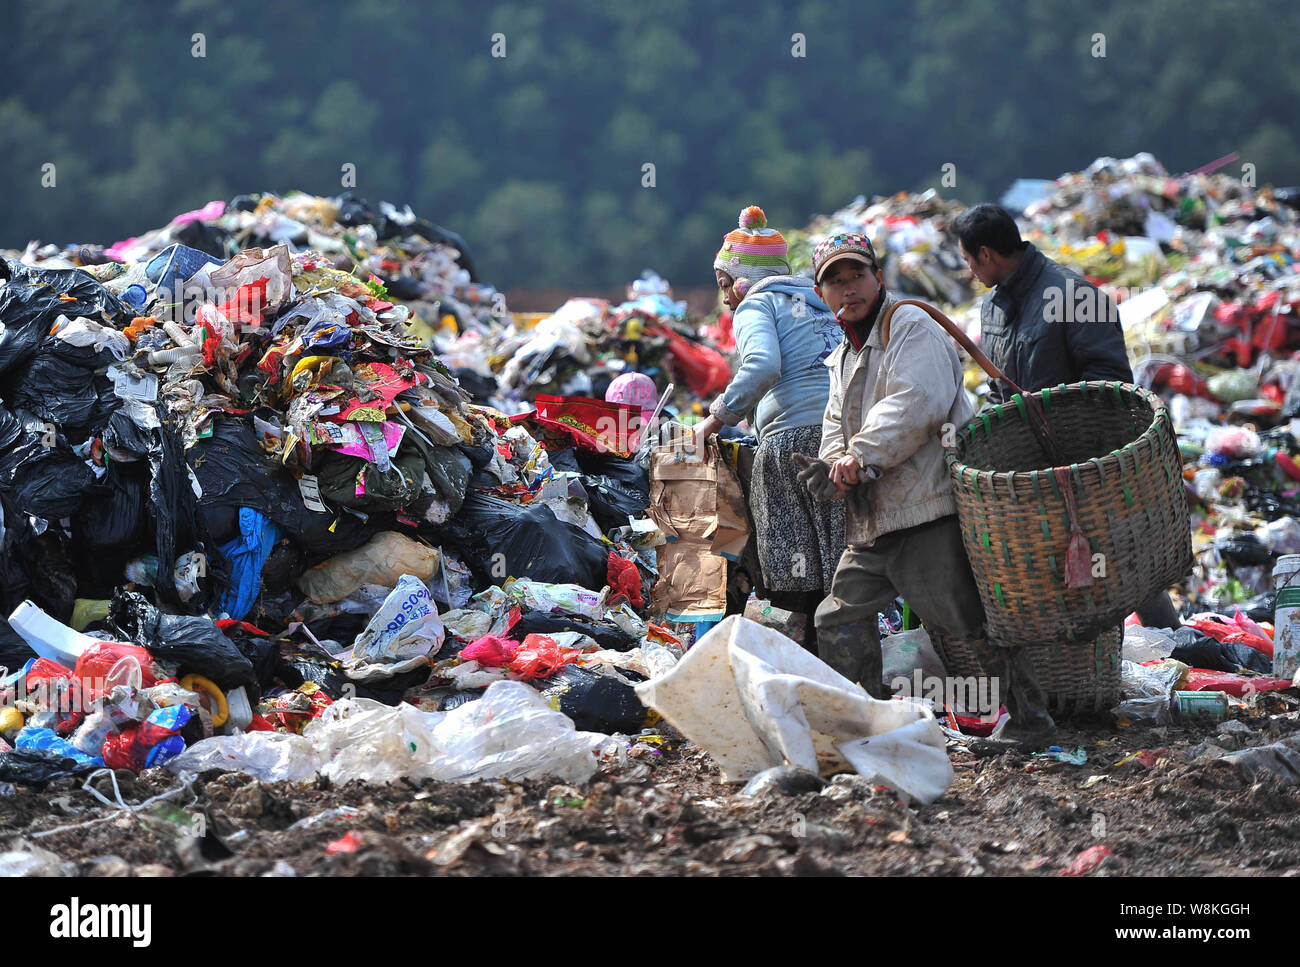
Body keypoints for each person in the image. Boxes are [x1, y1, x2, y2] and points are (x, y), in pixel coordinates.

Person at [794, 231, 1055, 751]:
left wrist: (859, 458)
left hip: (925, 508)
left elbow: (916, 405)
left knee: (965, 619)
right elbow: (834, 423)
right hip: (874, 516)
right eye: (836, 282)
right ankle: (861, 731)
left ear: (878, 278)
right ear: (821, 295)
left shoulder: (910, 326)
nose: (849, 289)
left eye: (857, 276)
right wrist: (831, 465)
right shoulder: (843, 354)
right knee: (839, 616)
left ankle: (1031, 719)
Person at [952, 203, 1181, 629]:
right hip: (1030, 470)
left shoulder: (1075, 297)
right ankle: (1091, 668)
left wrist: (1064, 426)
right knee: (1056, 575)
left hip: (1087, 464)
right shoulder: (992, 308)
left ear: (986, 254)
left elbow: (1109, 383)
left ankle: (1178, 653)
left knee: (1124, 562)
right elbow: (999, 386)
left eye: (968, 261)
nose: (970, 273)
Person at [692, 206, 846, 652]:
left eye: (725, 286)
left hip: (792, 445)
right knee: (840, 569)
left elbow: (762, 365)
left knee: (795, 572)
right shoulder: (821, 303)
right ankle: (845, 677)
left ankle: (801, 668)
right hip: (840, 441)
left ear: (741, 281)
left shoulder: (757, 301)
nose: (724, 299)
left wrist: (713, 419)